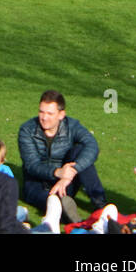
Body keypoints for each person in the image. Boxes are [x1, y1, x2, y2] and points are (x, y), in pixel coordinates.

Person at [18, 90, 106, 219]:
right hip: (36, 183)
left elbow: (92, 146)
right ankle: (65, 212)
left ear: (61, 115)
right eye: (41, 112)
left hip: (65, 181)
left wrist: (70, 173)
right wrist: (57, 172)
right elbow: (32, 165)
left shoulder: (72, 126)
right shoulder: (27, 130)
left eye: (50, 113)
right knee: (53, 204)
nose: (44, 117)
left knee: (81, 150)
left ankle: (101, 205)